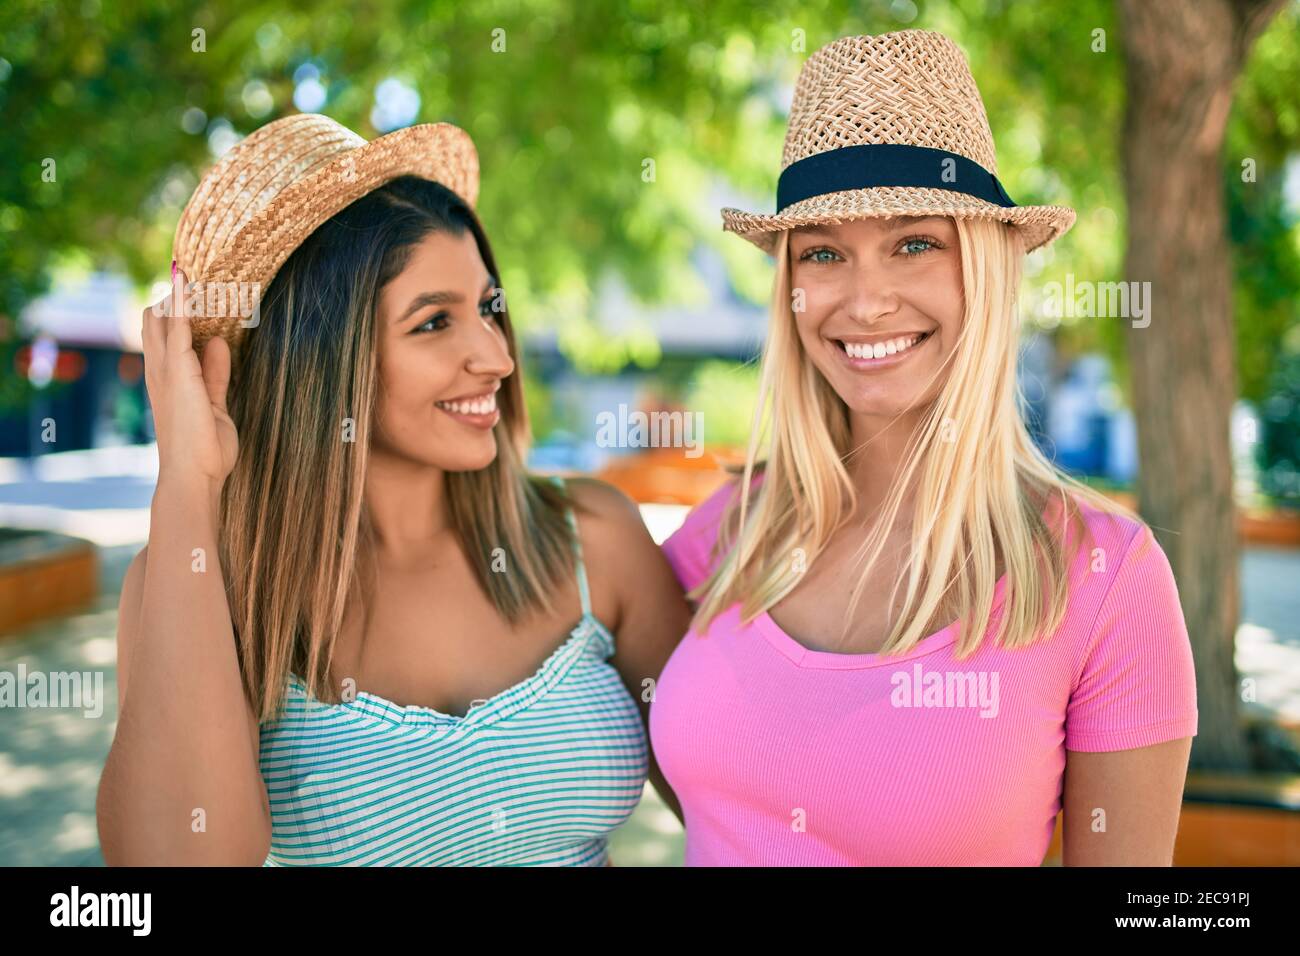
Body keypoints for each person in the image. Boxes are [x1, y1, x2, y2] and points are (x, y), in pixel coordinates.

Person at [649, 30, 1197, 866]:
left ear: (984, 268)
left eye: (914, 244)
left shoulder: (1104, 579)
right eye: (825, 253)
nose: (866, 302)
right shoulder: (731, 527)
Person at [96, 113, 688, 866]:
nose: (496, 358)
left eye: (488, 310)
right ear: (320, 358)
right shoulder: (200, 585)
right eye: (435, 322)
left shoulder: (593, 539)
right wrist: (185, 482)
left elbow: (743, 802)